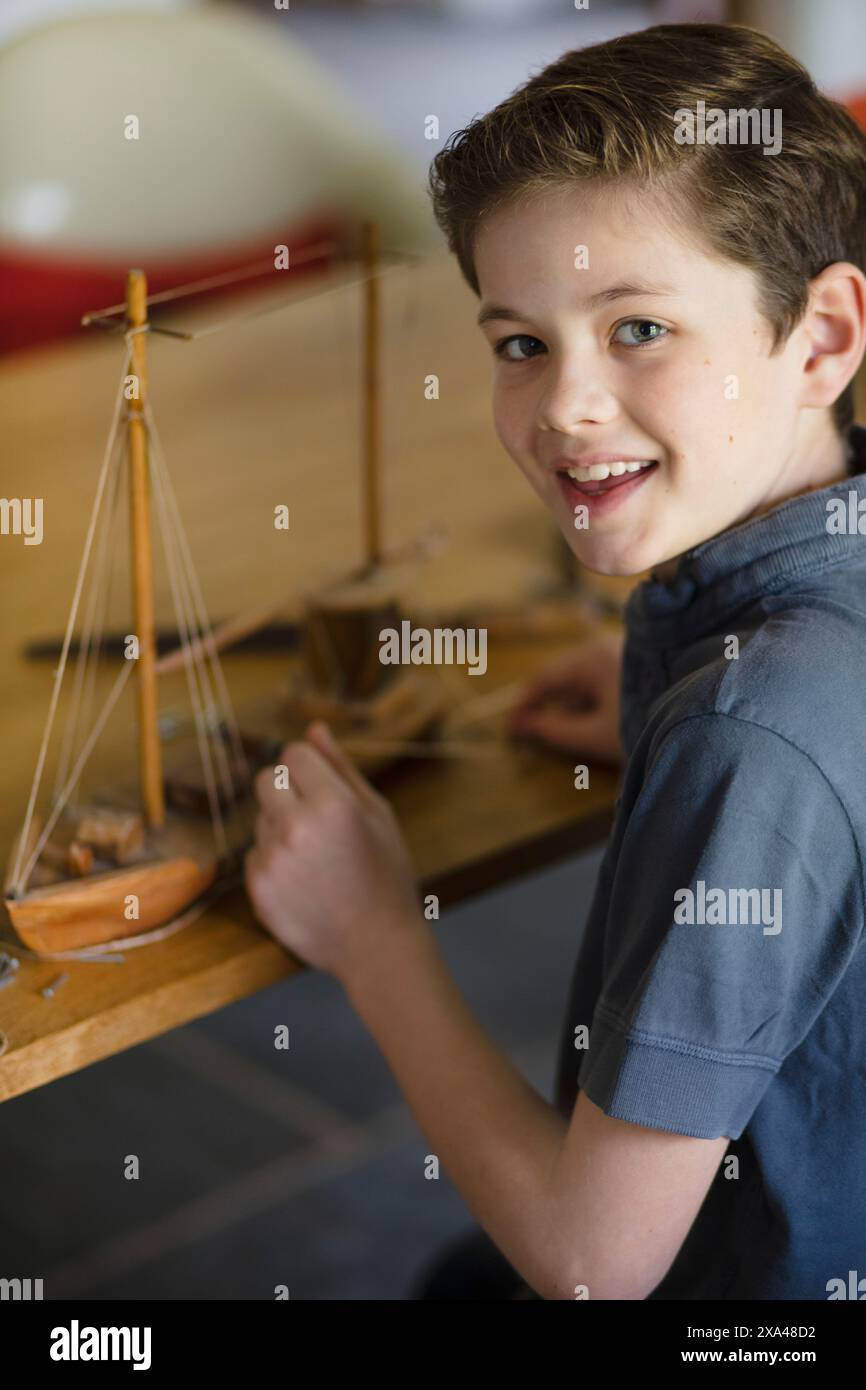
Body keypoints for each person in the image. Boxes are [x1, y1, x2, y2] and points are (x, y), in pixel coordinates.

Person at [244, 23, 866, 1299]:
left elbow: (592, 1266)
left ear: (817, 339)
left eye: (635, 326)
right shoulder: (768, 680)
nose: (562, 406)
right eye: (519, 343)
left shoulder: (750, 736)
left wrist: (372, 934)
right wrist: (662, 714)